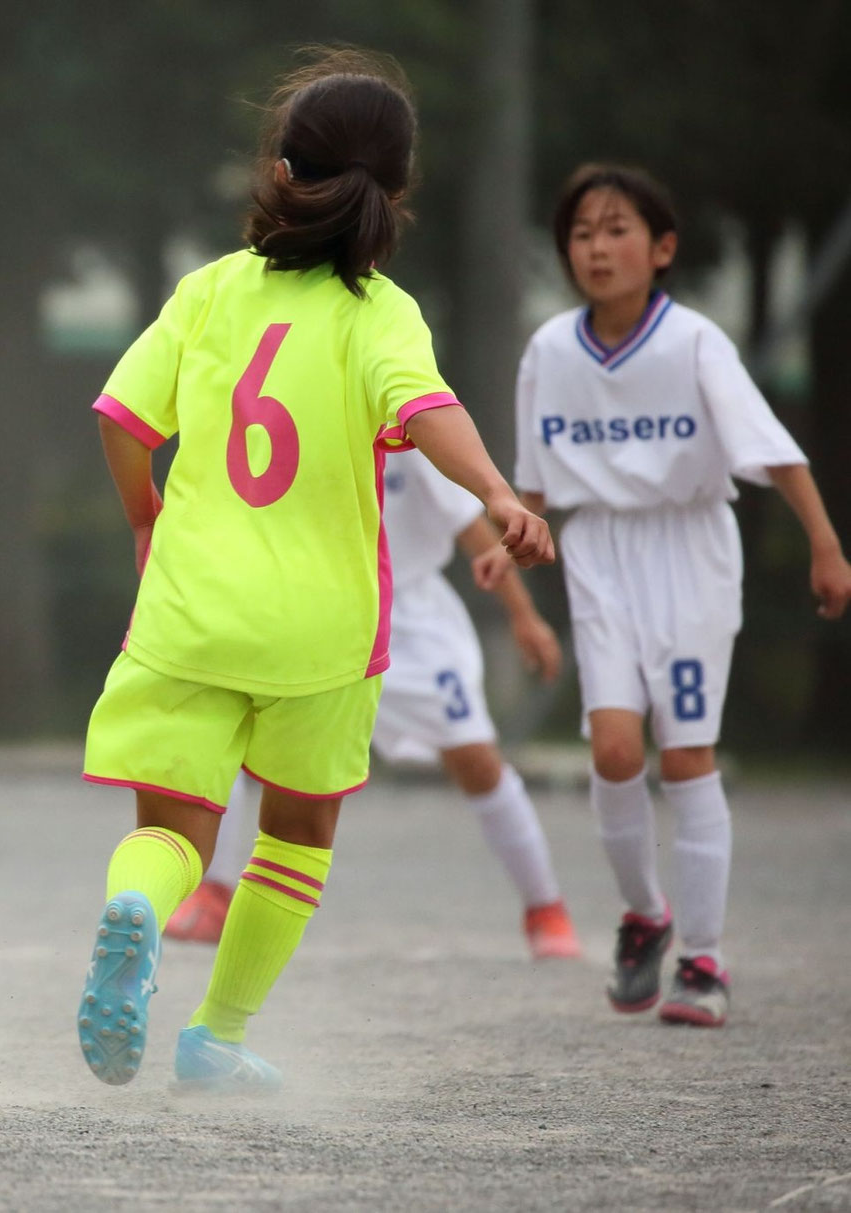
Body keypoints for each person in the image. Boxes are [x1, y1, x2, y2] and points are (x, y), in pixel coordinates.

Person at [77, 48, 553, 1092]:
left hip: (190, 612)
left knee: (173, 829)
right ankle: (216, 1036)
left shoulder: (209, 292)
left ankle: (139, 906)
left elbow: (120, 417)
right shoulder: (379, 311)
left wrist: (145, 516)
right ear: (396, 192)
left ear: (279, 173)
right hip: (322, 632)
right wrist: (497, 493)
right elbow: (427, 409)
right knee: (294, 835)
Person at [516, 163, 851, 1027]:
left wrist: (824, 544)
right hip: (599, 549)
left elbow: (771, 449)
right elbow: (531, 487)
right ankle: (645, 914)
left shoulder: (695, 341)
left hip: (691, 549)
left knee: (686, 754)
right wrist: (503, 545)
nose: (597, 247)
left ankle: (703, 959)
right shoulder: (549, 350)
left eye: (616, 229)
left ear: (662, 248)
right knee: (614, 750)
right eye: (581, 233)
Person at [166, 452, 580, 961]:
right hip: (319, 615)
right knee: (241, 733)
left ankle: (545, 907)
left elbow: (469, 525)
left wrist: (524, 616)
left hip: (410, 623)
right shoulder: (297, 420)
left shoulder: (411, 435)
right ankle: (214, 892)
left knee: (476, 762)